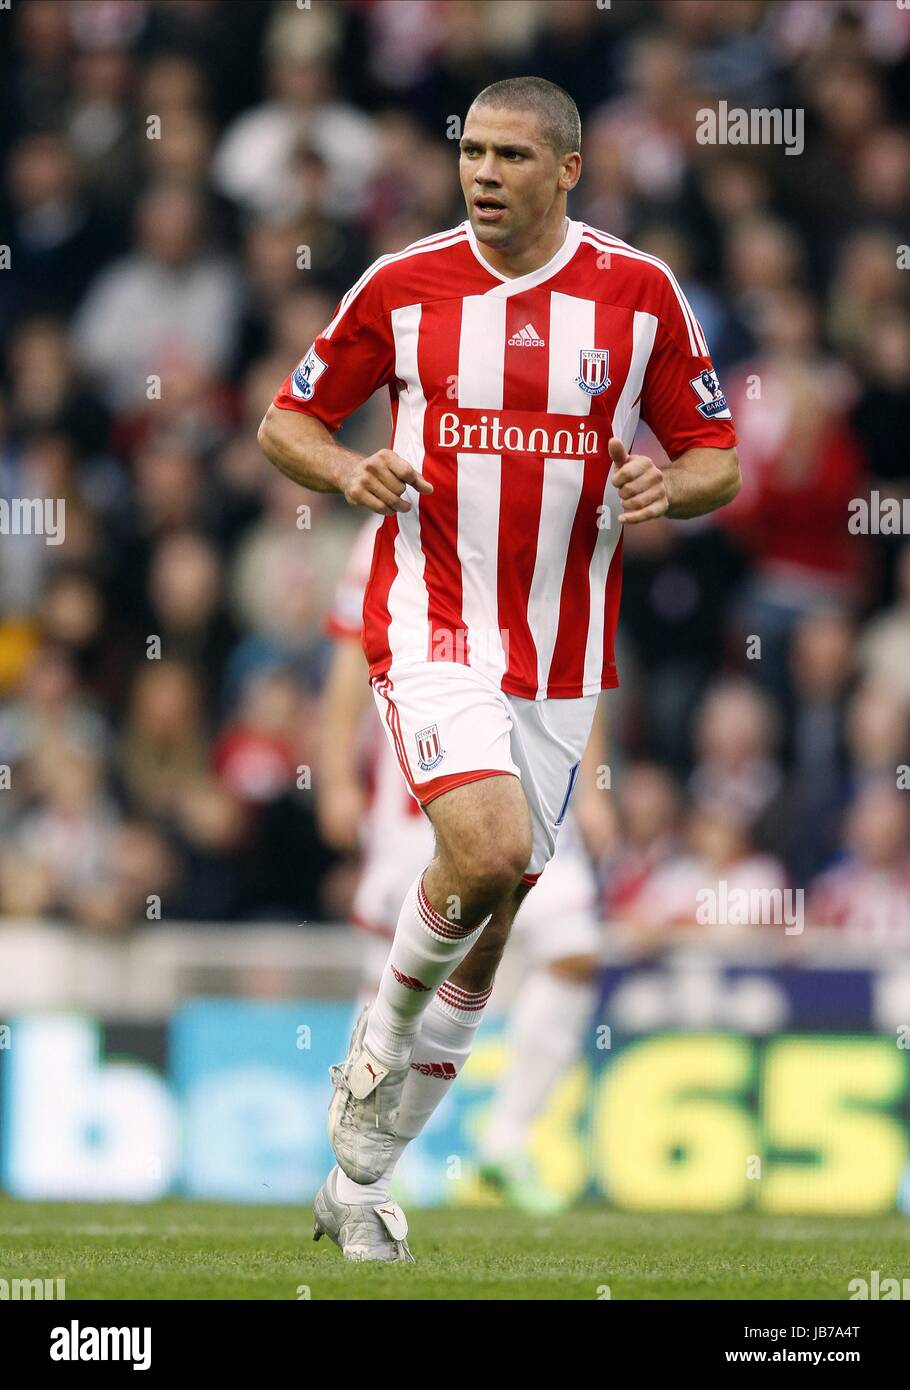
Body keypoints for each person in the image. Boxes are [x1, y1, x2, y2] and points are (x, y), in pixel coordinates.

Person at [258, 76, 740, 1261]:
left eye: (512, 155)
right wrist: (345, 472)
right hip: (431, 618)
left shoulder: (637, 295)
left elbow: (715, 457)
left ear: (567, 169)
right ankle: (374, 1042)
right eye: (471, 149)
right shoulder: (403, 283)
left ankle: (357, 1176)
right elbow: (286, 422)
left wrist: (662, 485)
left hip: (562, 658)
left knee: (499, 905)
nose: (483, 172)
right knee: (484, 849)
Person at [317, 514, 609, 1221]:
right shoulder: (389, 525)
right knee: (396, 968)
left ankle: (505, 1141)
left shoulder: (556, 503)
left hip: (532, 775)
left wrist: (594, 781)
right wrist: (332, 773)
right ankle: (374, 1163)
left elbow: (577, 664)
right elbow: (348, 667)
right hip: (421, 786)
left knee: (573, 948)